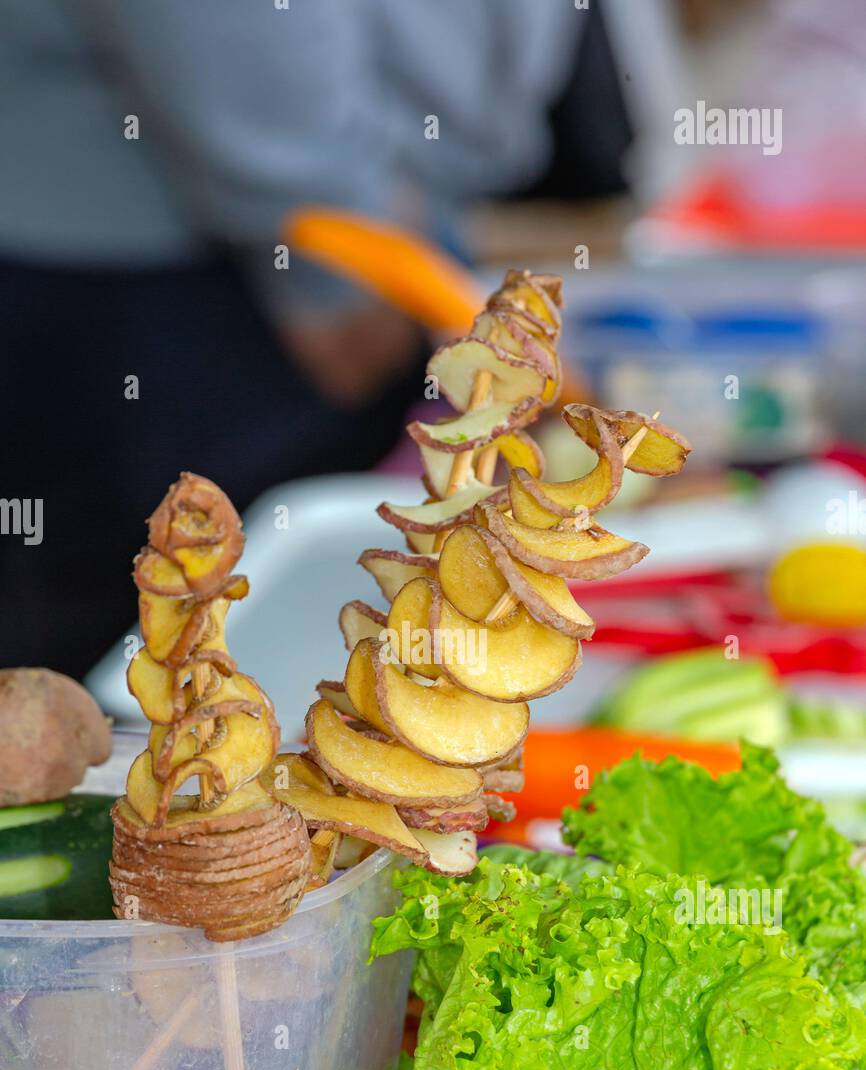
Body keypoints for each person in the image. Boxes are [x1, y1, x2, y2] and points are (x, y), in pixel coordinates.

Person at [0, 0, 648, 676]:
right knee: (144, 683)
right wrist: (337, 260)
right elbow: (230, 42)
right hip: (179, 274)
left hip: (354, 225)